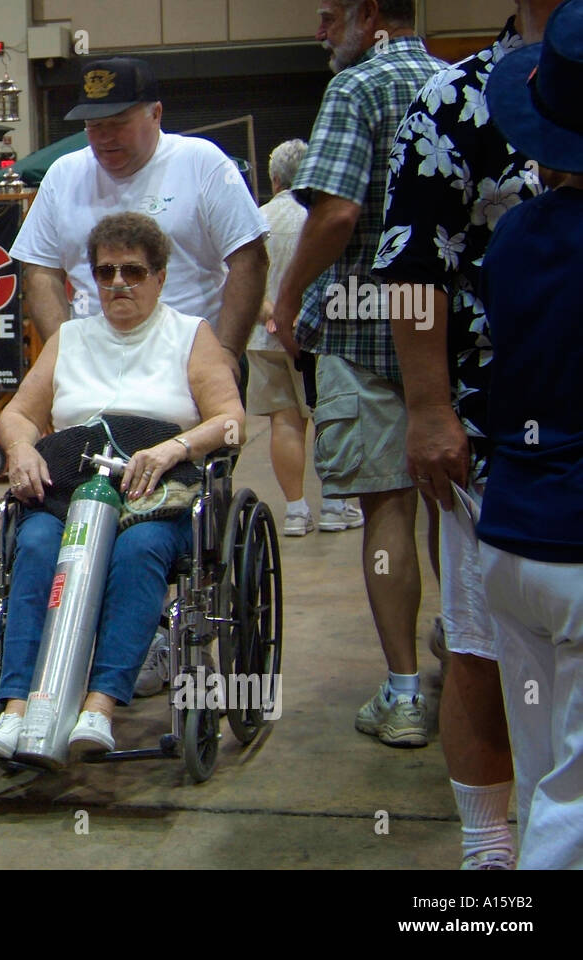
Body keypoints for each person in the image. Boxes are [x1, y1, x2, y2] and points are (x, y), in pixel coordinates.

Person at [373, 0, 566, 870]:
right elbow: (414, 263)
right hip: (496, 440)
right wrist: (426, 408)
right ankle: (491, 853)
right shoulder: (456, 99)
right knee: (482, 646)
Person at [0, 213, 244, 758]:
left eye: (134, 272)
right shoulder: (69, 337)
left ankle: (100, 706)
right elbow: (20, 413)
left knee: (137, 550)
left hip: (155, 488)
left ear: (161, 278)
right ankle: (15, 709)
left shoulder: (190, 335)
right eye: (106, 271)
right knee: (38, 545)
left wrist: (175, 447)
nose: (119, 282)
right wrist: (21, 448)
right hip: (72, 478)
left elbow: (231, 420)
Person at [270, 0, 445, 748]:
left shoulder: (356, 88)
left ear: (370, 13)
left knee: (387, 511)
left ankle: (404, 693)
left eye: (330, 14)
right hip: (449, 334)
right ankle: (472, 664)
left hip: (367, 331)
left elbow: (337, 214)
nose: (320, 31)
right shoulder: (458, 82)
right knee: (458, 512)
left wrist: (288, 295)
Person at [478, 0, 583, 869]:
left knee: (545, 761)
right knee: (574, 806)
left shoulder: (514, 237)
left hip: (512, 531)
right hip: (578, 544)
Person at [9, 56, 269, 384]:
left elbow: (250, 259)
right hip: (95, 370)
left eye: (118, 122)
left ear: (155, 113)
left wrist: (228, 351)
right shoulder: (63, 174)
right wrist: (63, 354)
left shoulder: (202, 162)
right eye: (93, 125)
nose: (104, 137)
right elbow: (41, 271)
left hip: (191, 364)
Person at [248, 138, 364, 537]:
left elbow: (245, 280)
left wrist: (271, 317)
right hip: (320, 336)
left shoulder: (256, 219)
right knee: (329, 414)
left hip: (266, 338)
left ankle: (296, 511)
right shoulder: (322, 219)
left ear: (275, 178)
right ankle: (334, 504)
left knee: (285, 421)